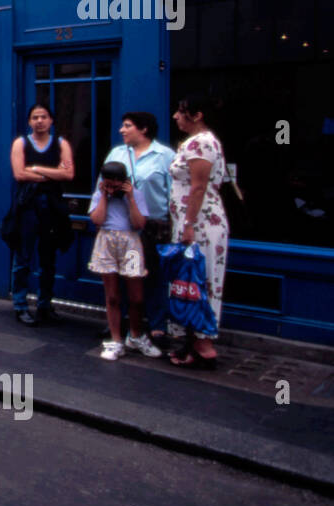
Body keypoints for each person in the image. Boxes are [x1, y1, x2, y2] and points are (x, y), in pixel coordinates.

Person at [167, 94, 231, 368]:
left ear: (197, 114)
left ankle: (204, 347)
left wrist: (189, 225)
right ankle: (194, 343)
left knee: (199, 280)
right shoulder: (197, 142)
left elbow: (198, 187)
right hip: (193, 222)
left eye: (180, 111)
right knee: (191, 281)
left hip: (201, 224)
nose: (175, 116)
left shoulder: (201, 143)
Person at [103, 112, 175, 344]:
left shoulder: (165, 156)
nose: (121, 130)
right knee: (122, 276)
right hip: (122, 224)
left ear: (143, 129)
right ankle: (119, 323)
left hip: (153, 224)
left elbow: (174, 193)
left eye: (127, 126)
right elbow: (101, 186)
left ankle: (157, 325)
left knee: (153, 275)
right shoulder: (117, 153)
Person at [6, 104, 75, 325]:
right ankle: (20, 305)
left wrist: (36, 169)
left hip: (53, 207)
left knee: (49, 259)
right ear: (29, 122)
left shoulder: (61, 144)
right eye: (35, 117)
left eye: (43, 117)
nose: (39, 121)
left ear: (51, 120)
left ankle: (45, 304)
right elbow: (18, 173)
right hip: (28, 206)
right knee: (23, 258)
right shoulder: (21, 143)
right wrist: (53, 175)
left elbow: (69, 173)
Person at [88, 161, 160, 361]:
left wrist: (130, 198)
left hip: (130, 242)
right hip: (107, 240)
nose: (113, 188)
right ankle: (116, 339)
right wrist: (104, 195)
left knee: (136, 298)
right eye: (108, 184)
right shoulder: (99, 195)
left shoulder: (135, 195)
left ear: (124, 181)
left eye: (116, 184)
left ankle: (136, 336)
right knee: (112, 296)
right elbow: (97, 220)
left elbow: (139, 224)